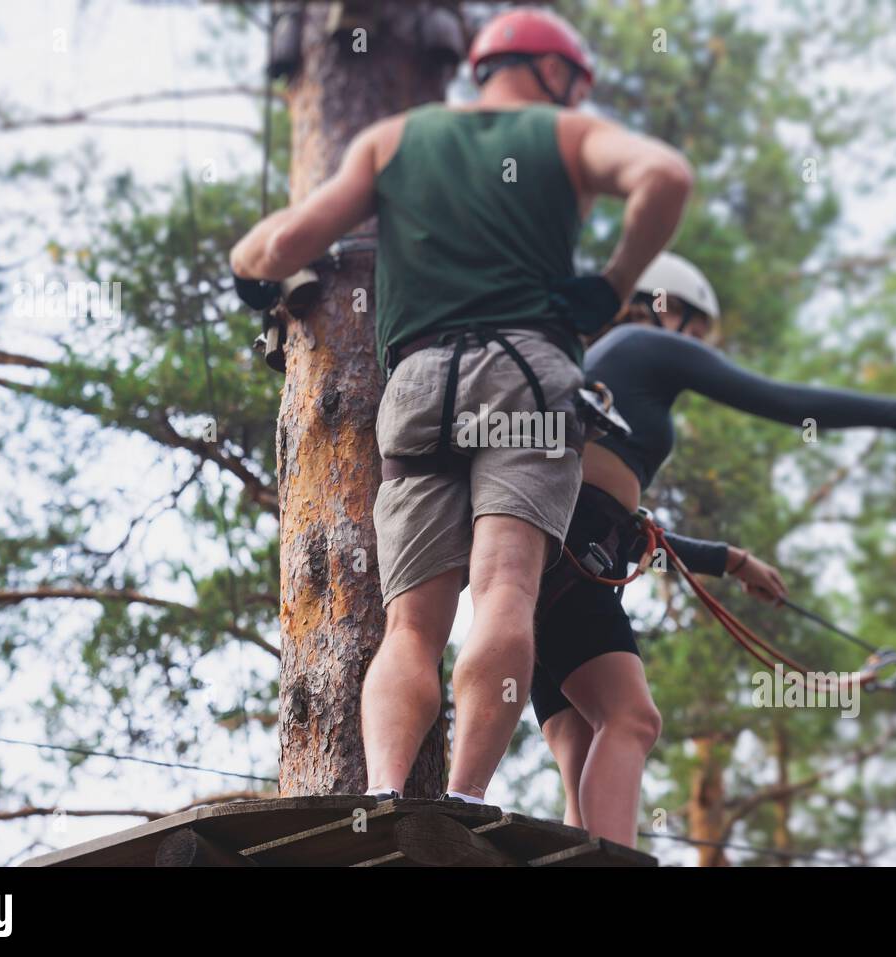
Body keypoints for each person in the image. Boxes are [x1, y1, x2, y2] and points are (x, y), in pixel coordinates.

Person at [229, 7, 695, 803]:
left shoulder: (394, 139)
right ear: (553, 73)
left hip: (415, 386)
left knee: (410, 624)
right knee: (506, 588)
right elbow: (666, 176)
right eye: (575, 84)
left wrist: (247, 264)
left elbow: (277, 249)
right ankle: (465, 795)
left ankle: (382, 795)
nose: (578, 98)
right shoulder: (565, 135)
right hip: (526, 375)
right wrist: (614, 284)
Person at [532, 251, 896, 844]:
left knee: (585, 736)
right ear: (672, 309)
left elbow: (621, 527)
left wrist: (730, 561)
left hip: (545, 554)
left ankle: (584, 854)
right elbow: (782, 402)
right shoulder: (642, 342)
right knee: (631, 719)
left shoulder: (599, 367)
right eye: (700, 335)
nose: (703, 347)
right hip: (575, 552)